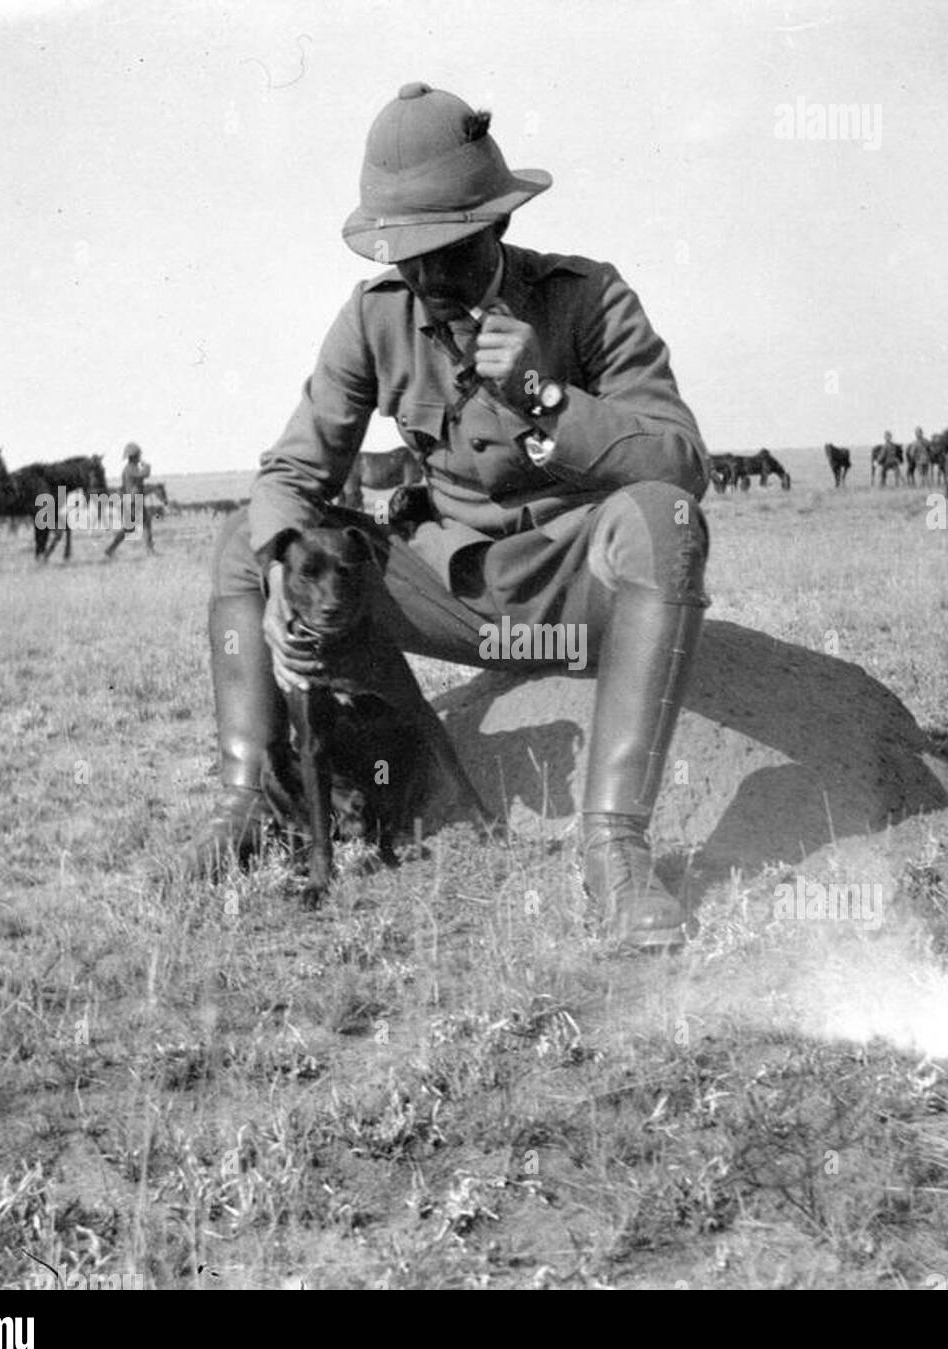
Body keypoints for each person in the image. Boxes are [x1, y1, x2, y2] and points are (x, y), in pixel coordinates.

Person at [184, 82, 711, 952]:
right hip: (451, 593)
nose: (428, 279)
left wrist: (548, 394)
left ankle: (614, 849)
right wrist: (280, 568)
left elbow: (682, 466)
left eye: (451, 253)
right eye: (409, 259)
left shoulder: (589, 299)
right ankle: (246, 804)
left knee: (665, 524)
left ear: (499, 225)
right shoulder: (374, 319)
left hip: (577, 592)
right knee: (247, 540)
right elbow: (293, 467)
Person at [105, 441, 154, 556]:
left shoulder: (128, 468)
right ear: (134, 456)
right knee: (145, 523)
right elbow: (145, 474)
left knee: (130, 527)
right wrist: (147, 466)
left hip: (130, 500)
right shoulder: (131, 468)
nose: (140, 457)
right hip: (134, 500)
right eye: (138, 455)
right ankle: (150, 550)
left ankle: (110, 549)